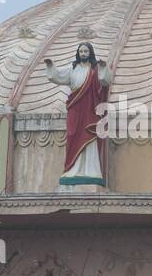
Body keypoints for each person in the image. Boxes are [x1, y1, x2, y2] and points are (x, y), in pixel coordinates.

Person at [44, 42, 112, 187]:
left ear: (90, 52)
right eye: (81, 51)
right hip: (75, 108)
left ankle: (91, 171)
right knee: (72, 135)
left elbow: (105, 80)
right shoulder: (72, 68)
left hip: (90, 109)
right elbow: (58, 76)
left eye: (85, 51)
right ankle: (72, 169)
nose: (83, 53)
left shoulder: (94, 69)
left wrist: (104, 67)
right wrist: (51, 67)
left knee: (89, 136)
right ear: (78, 53)